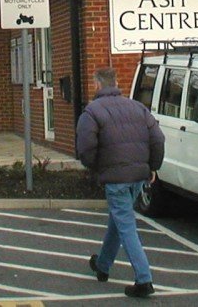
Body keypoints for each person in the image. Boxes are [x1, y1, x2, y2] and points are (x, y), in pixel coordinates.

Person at [76, 67, 165, 298]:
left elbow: (85, 147)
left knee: (125, 225)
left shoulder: (92, 112)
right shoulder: (137, 107)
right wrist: (152, 167)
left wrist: (94, 168)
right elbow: (157, 138)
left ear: (97, 85)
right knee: (119, 220)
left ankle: (144, 279)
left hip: (115, 179)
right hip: (137, 176)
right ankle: (103, 266)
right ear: (115, 83)